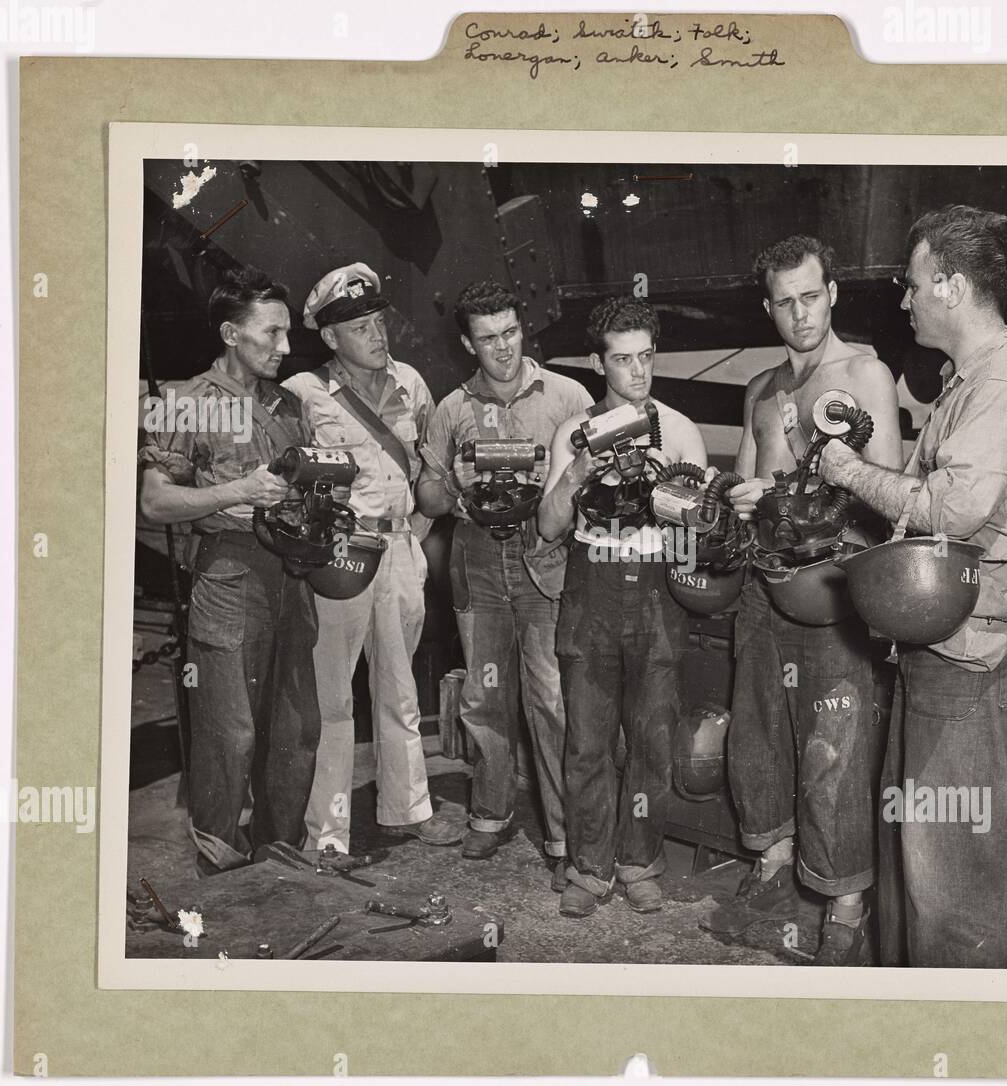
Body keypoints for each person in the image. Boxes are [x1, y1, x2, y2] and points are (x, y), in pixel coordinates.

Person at [819, 204, 1007, 968]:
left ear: (954, 287)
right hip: (960, 638)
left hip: (978, 652)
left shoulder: (1001, 383)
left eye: (915, 283)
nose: (905, 300)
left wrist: (852, 473)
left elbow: (957, 509)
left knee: (950, 875)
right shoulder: (979, 379)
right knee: (925, 852)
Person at [701, 235, 902, 965]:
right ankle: (774, 858)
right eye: (784, 302)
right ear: (769, 307)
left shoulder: (867, 375)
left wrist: (784, 499)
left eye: (810, 296)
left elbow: (887, 497)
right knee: (758, 733)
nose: (800, 313)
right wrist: (727, 500)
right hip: (763, 584)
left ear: (833, 293)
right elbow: (742, 482)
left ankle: (845, 897)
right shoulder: (761, 391)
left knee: (836, 748)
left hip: (835, 587)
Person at [138, 265, 321, 873]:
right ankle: (219, 855)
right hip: (229, 575)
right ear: (229, 333)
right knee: (227, 729)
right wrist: (235, 491)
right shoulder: (185, 404)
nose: (285, 347)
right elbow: (155, 500)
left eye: (287, 333)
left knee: (294, 726)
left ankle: (280, 846)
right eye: (270, 334)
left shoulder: (289, 403)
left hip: (293, 577)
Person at [283, 262, 463, 854]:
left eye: (378, 321)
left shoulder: (411, 383)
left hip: (399, 550)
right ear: (330, 337)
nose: (376, 334)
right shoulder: (305, 395)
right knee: (332, 700)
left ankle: (405, 809)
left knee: (401, 687)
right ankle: (328, 835)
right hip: (339, 556)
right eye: (359, 327)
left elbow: (430, 472)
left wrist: (410, 538)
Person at [417, 280, 592, 884]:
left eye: (511, 333)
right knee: (484, 696)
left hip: (545, 555)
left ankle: (566, 829)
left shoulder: (568, 397)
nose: (503, 348)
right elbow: (428, 492)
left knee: (550, 697)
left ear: (524, 330)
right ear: (469, 343)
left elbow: (590, 481)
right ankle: (490, 813)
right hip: (477, 560)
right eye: (488, 338)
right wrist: (458, 485)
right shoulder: (452, 408)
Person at [541, 296, 707, 918]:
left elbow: (697, 542)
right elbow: (550, 527)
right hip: (592, 585)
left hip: (657, 587)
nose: (637, 372)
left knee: (652, 737)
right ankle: (588, 869)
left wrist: (676, 494)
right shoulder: (572, 432)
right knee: (586, 740)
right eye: (621, 360)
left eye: (645, 358)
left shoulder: (680, 429)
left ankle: (639, 861)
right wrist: (577, 472)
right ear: (597, 363)